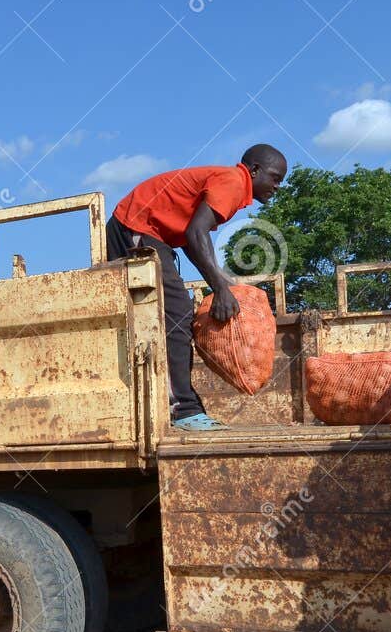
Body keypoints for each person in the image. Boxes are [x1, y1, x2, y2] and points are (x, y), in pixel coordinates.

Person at [106, 145, 287, 430]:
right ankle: (181, 410)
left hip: (147, 230)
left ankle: (176, 404)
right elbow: (195, 233)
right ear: (253, 170)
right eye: (275, 178)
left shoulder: (232, 184)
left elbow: (192, 236)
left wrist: (221, 282)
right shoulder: (233, 183)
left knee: (161, 314)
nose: (278, 186)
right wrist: (220, 287)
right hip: (136, 225)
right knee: (175, 311)